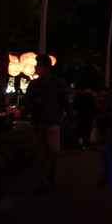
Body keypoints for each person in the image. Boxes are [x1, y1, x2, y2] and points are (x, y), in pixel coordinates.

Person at [26, 54, 68, 192]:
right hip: (40, 122)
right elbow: (27, 101)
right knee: (43, 153)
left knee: (52, 152)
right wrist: (33, 103)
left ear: (47, 67)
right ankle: (45, 180)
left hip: (52, 121)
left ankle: (50, 178)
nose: (37, 68)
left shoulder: (57, 83)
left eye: (39, 66)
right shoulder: (35, 84)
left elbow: (64, 101)